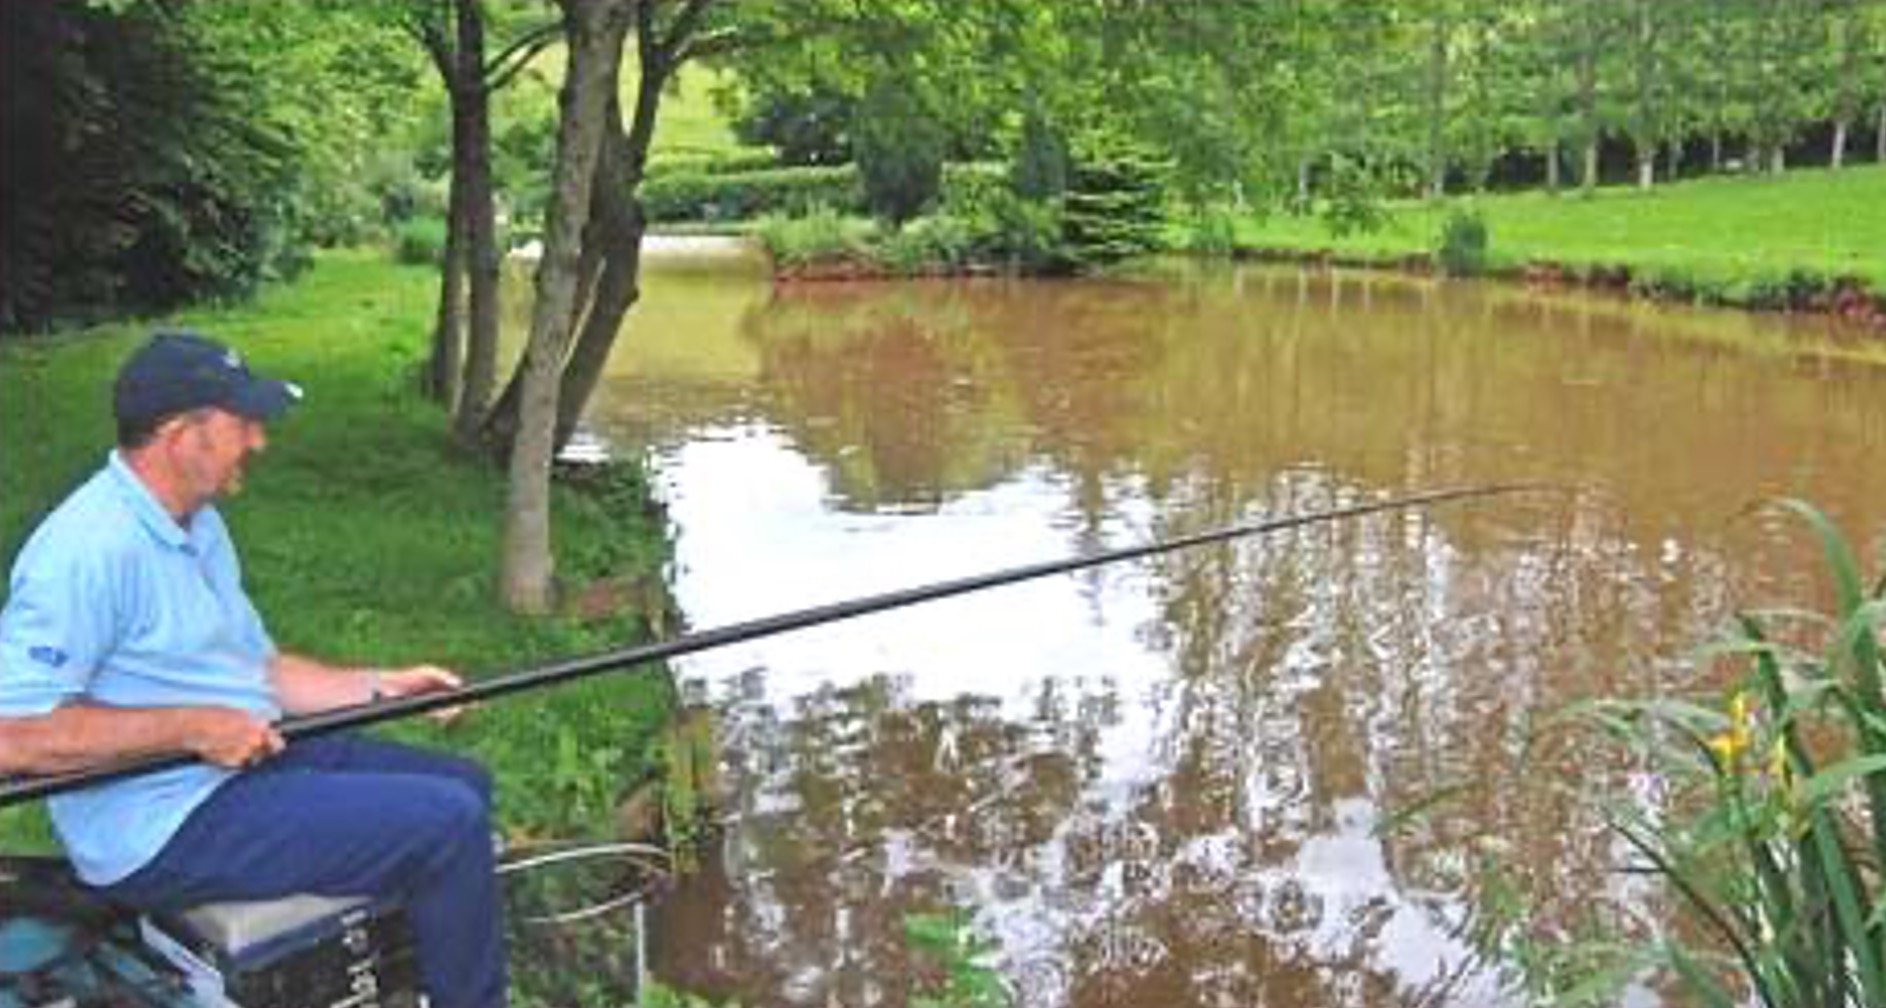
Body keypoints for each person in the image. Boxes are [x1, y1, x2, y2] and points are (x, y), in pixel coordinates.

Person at [0, 331, 507, 1008]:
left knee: (466, 784)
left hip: (234, 767)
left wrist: (381, 683)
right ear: (184, 435)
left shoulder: (198, 523)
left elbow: (257, 670)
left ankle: (410, 976)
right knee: (446, 825)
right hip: (158, 824)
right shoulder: (83, 552)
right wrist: (190, 729)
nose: (260, 441)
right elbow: (15, 737)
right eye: (244, 423)